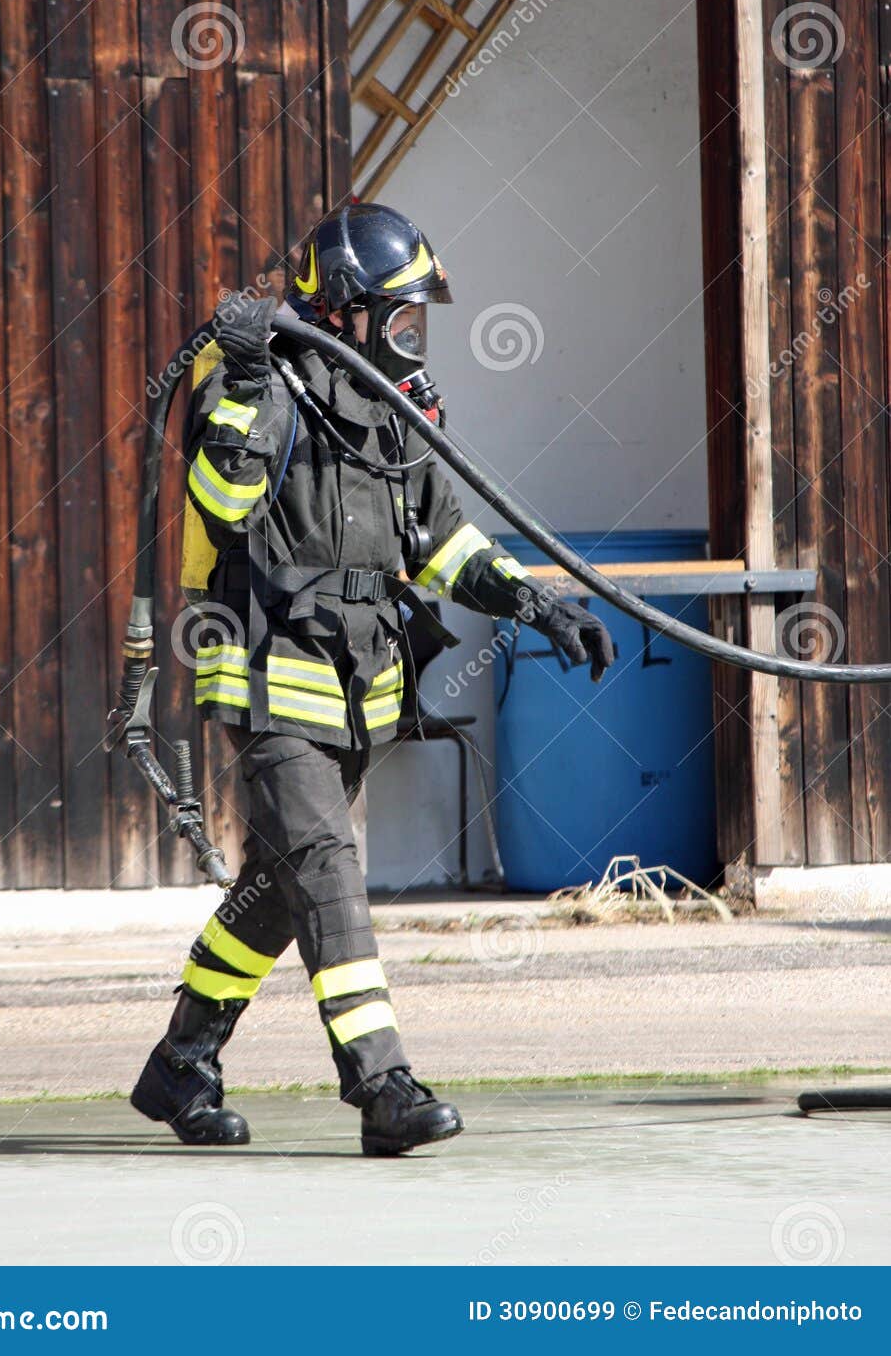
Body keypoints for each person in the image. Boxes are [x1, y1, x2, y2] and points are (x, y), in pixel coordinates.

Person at [131, 202, 614, 1156]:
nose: (409, 333)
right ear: (345, 310)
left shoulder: (394, 408)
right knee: (326, 867)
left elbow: (440, 540)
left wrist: (536, 604)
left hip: (358, 677)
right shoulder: (264, 385)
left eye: (416, 316)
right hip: (268, 667)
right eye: (397, 313)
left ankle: (180, 1062)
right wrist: (246, 371)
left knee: (279, 885)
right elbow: (223, 500)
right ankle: (382, 1085)